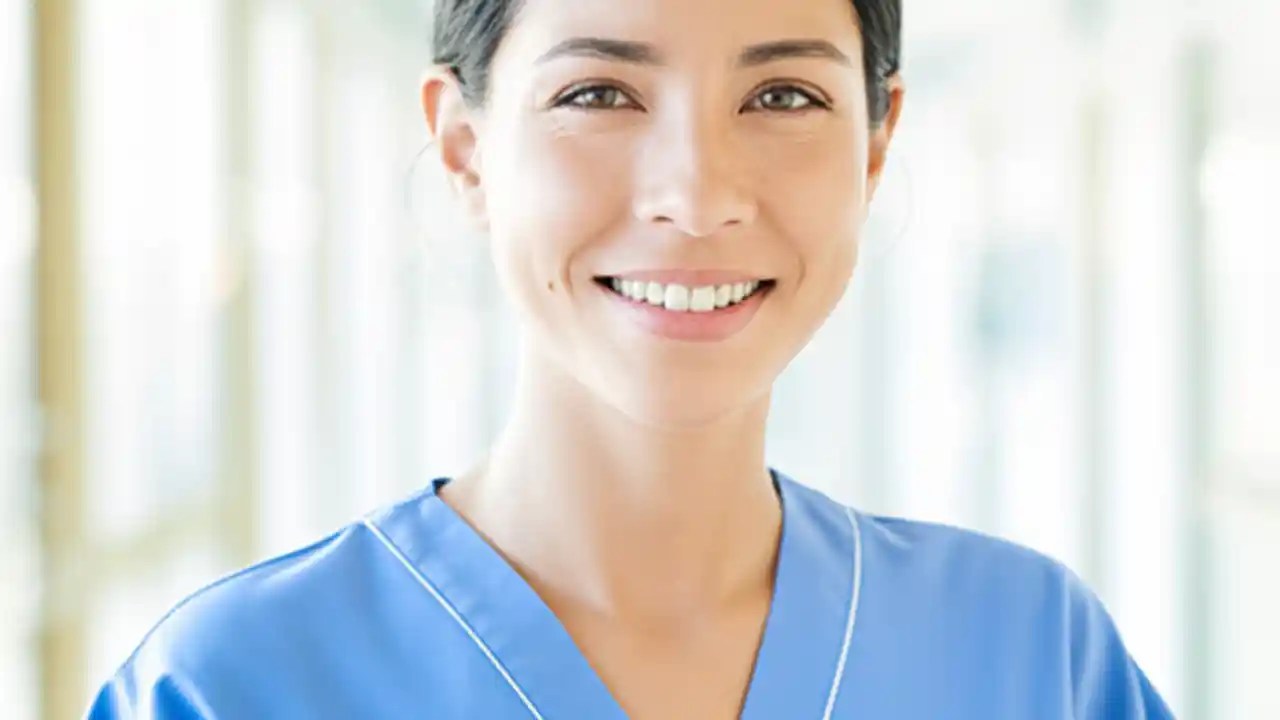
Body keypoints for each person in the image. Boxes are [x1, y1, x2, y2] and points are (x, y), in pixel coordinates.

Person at [86, 0, 1175, 717]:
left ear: (875, 145)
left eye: (782, 96)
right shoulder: (236, 685)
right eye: (596, 95)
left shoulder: (1028, 657)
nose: (696, 195)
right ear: (465, 147)